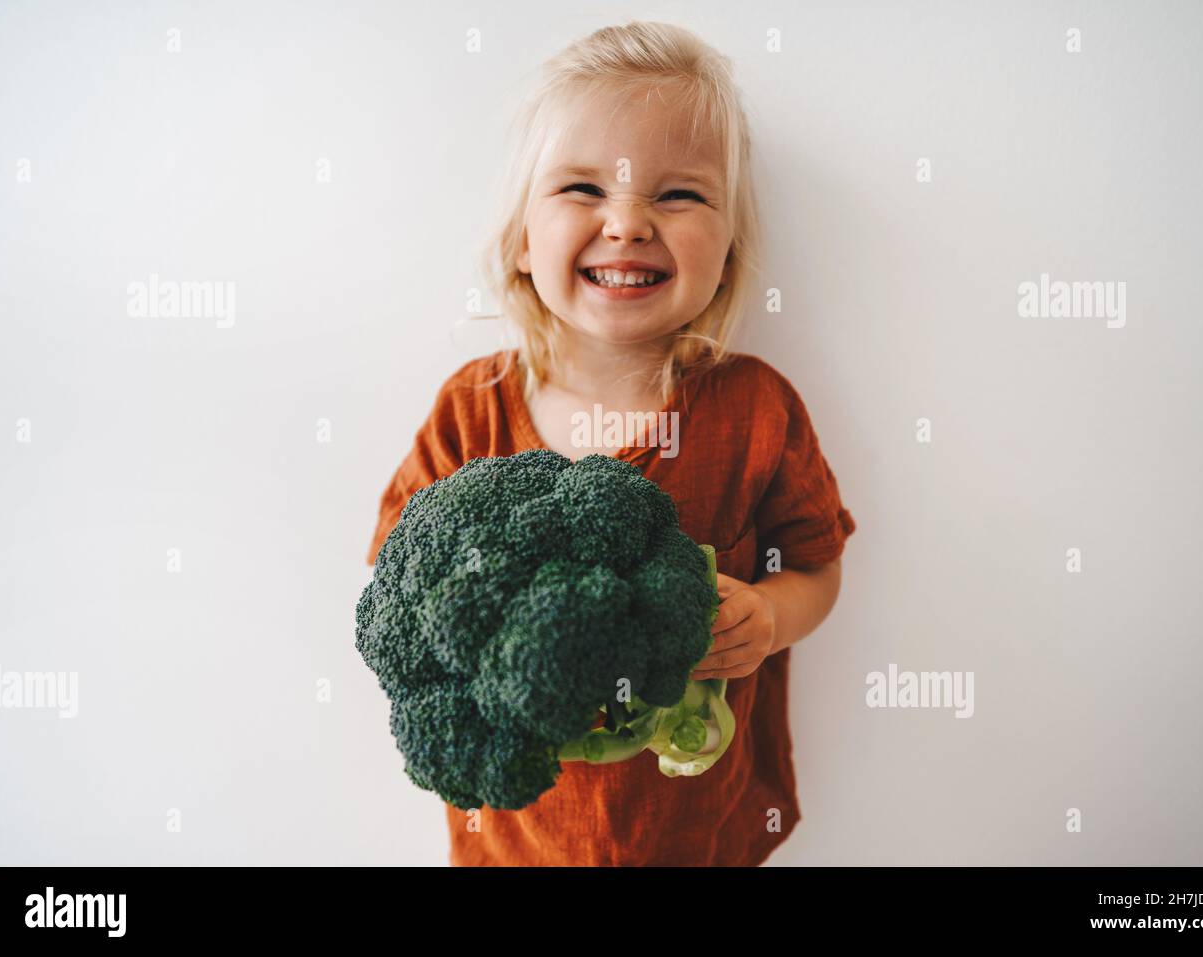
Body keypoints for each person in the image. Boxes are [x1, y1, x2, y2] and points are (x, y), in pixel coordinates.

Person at [366, 20, 857, 866]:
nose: (627, 222)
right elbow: (400, 581)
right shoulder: (470, 412)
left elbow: (816, 561)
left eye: (678, 196)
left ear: (730, 245)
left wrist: (770, 617)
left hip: (701, 834)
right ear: (523, 238)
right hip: (521, 844)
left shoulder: (754, 410)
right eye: (582, 189)